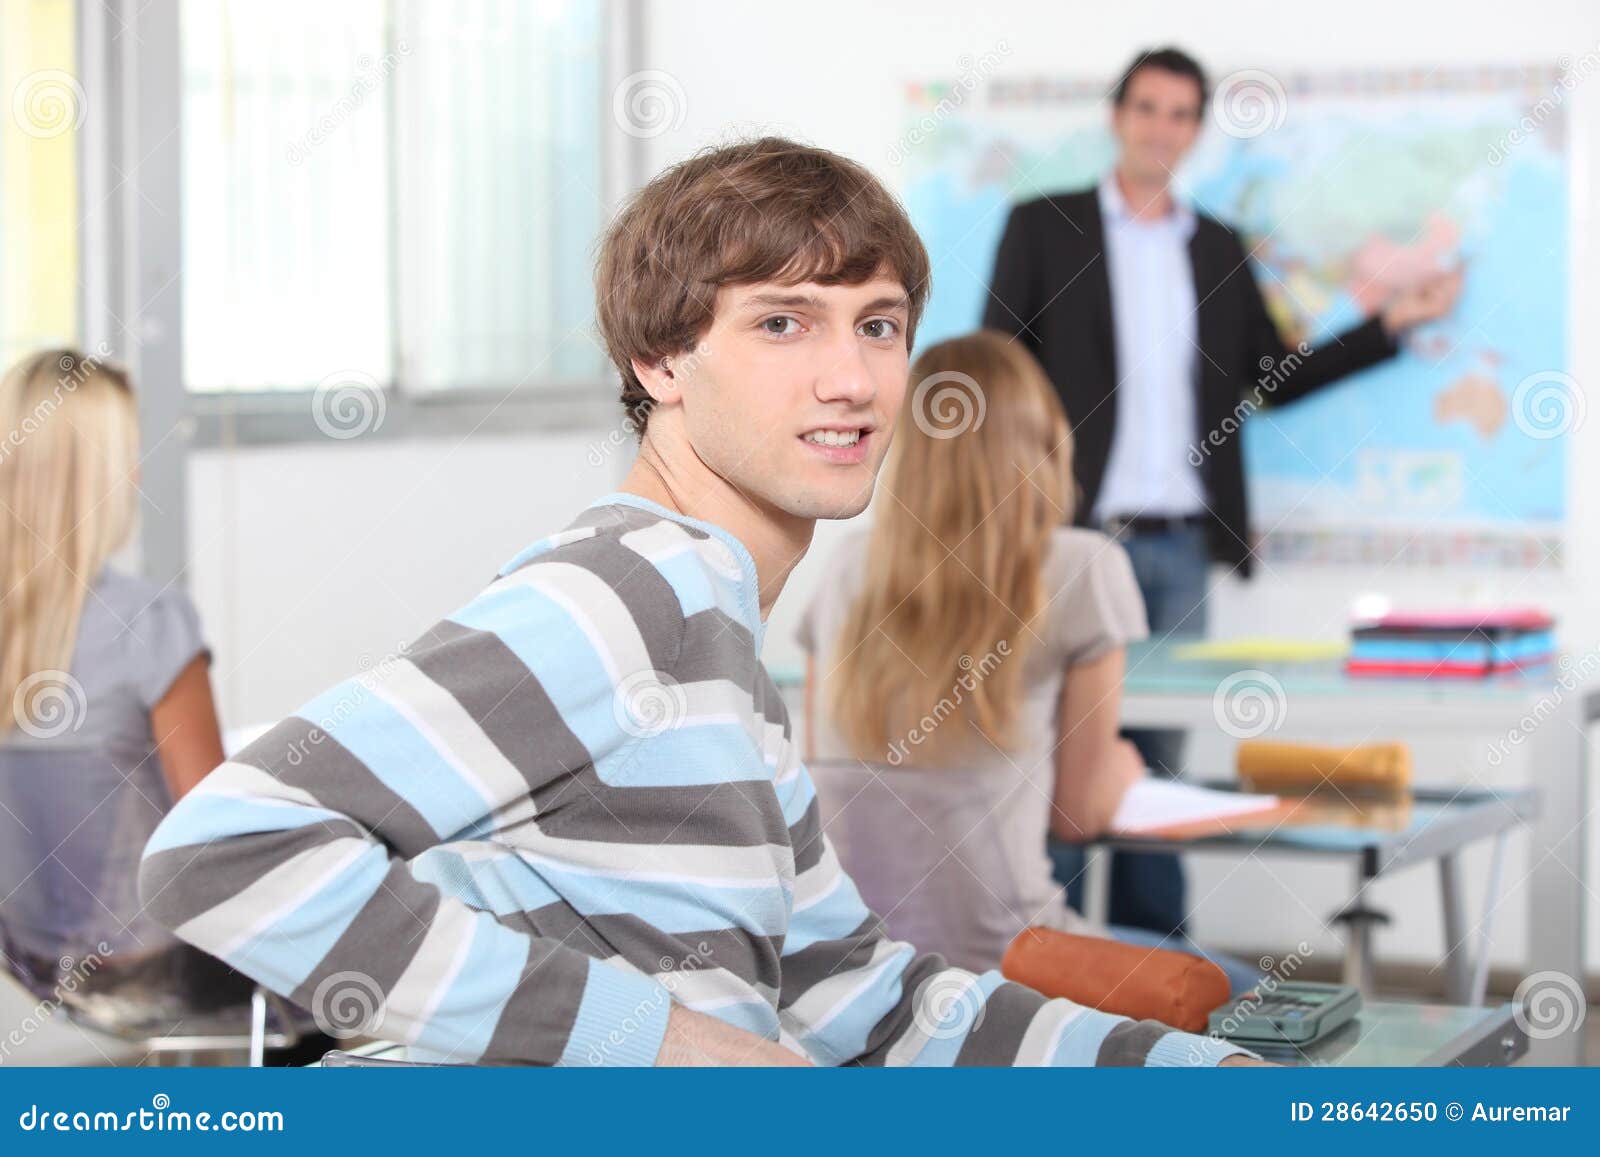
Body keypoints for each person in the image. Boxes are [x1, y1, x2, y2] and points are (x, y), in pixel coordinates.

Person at [140, 137, 1263, 1067]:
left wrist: (1192, 1075)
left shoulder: (718, 639)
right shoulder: (624, 588)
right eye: (783, 321)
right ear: (660, 360)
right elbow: (225, 847)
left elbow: (846, 991)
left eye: (876, 324)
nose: (851, 377)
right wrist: (679, 1044)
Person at [983, 46, 1462, 939]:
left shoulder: (1214, 244)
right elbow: (997, 371)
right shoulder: (1043, 227)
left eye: (1180, 114)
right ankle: (1048, 953)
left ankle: (1157, 967)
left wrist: (1389, 325)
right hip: (1067, 544)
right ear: (1116, 116)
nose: (1162, 129)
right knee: (1056, 754)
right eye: (1147, 109)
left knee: (1158, 769)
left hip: (1177, 548)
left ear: (1196, 131)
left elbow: (1270, 376)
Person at [797, 330, 1261, 996]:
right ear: (1043, 440)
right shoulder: (1083, 567)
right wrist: (1125, 768)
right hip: (1012, 964)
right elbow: (1078, 813)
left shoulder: (846, 570)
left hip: (862, 969)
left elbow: (837, 794)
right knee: (1248, 993)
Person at [0, 348, 251, 1025]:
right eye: (126, 455)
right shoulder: (151, 621)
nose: (138, 474)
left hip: (23, 979)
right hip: (147, 982)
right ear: (93, 479)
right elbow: (218, 837)